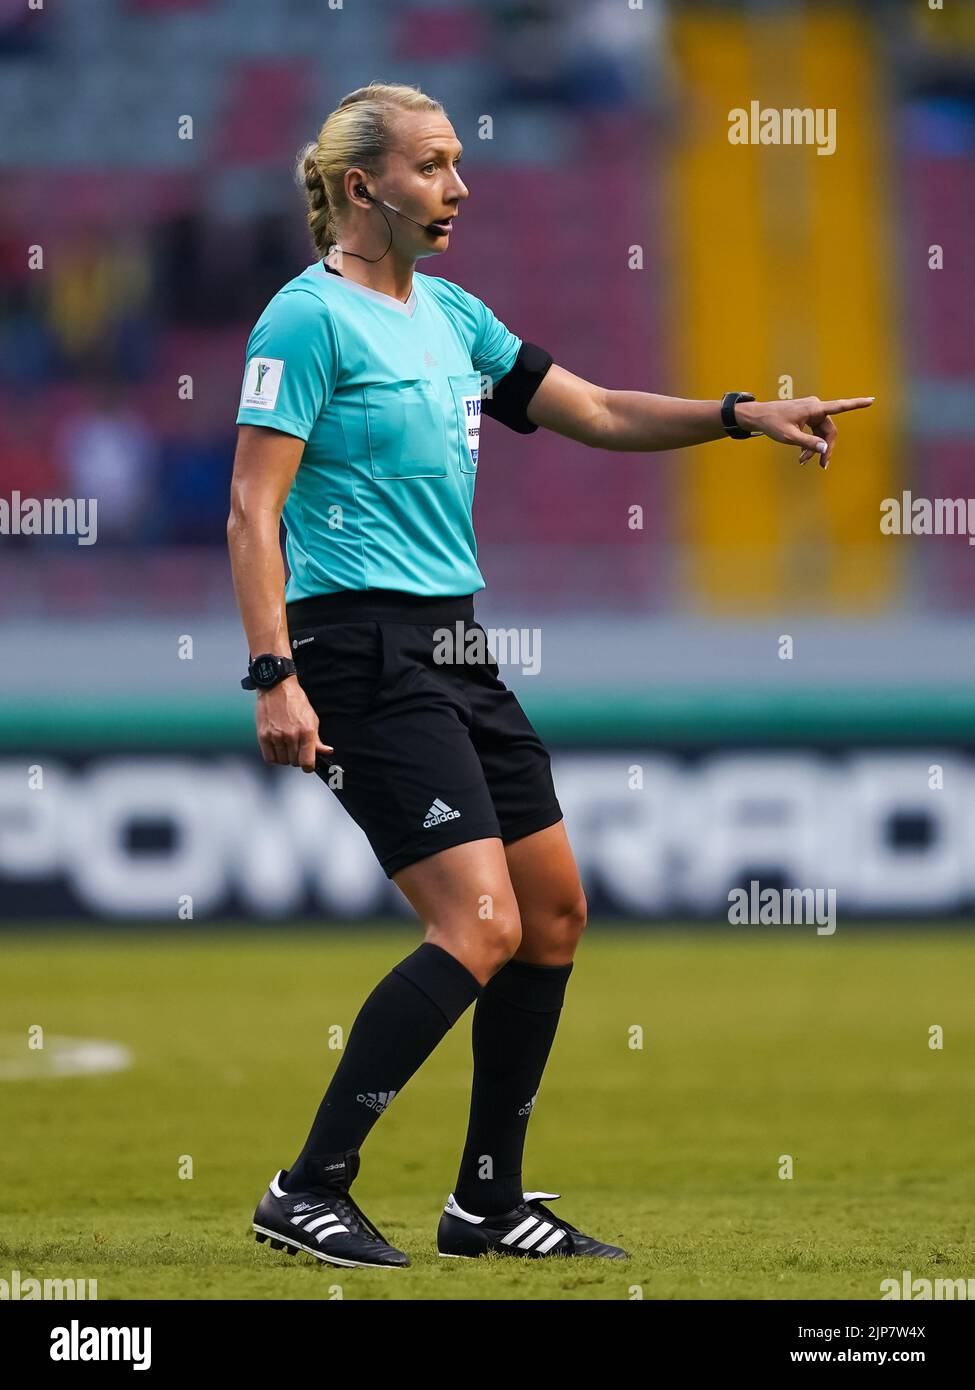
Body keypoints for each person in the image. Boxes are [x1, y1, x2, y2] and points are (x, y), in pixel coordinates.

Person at [227, 80, 874, 1268]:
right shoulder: (304, 321)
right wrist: (275, 672)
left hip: (458, 641)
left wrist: (741, 413)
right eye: (433, 166)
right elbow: (252, 505)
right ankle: (308, 1184)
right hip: (356, 648)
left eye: (460, 161)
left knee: (553, 917)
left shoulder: (453, 315)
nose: (460, 186)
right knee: (477, 923)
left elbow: (602, 410)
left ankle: (487, 1201)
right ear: (363, 185)